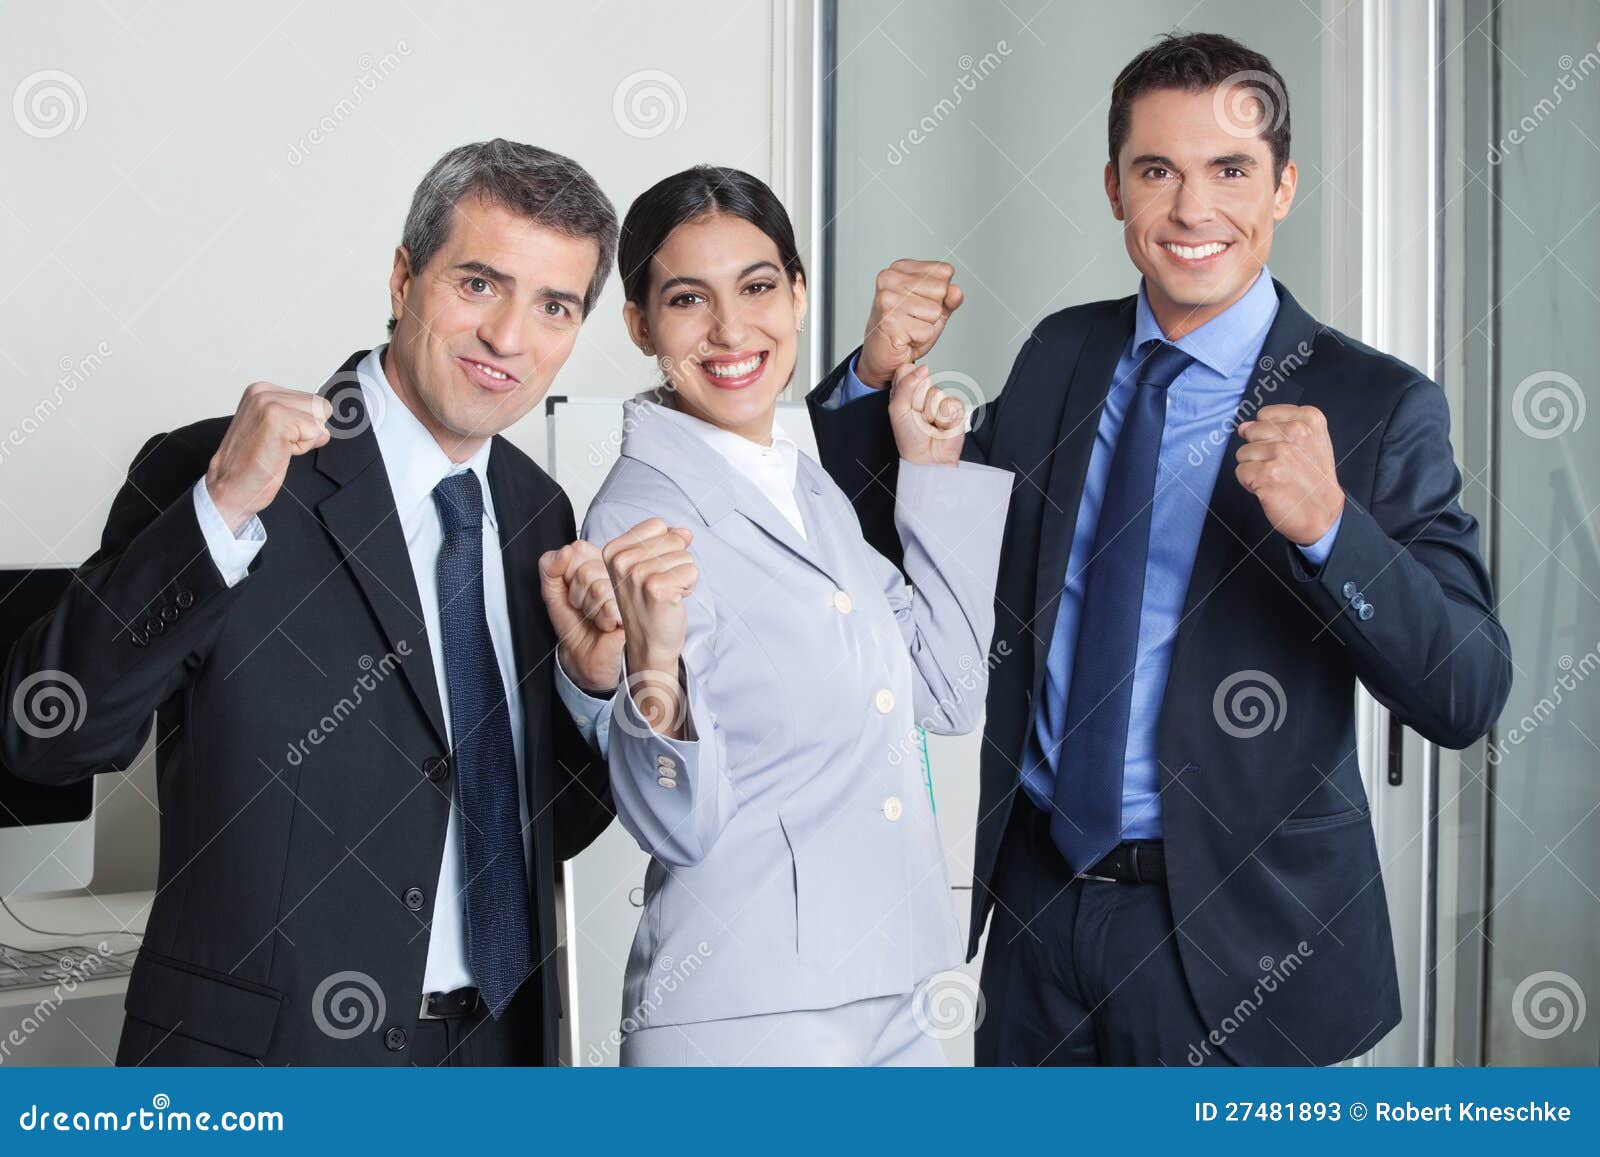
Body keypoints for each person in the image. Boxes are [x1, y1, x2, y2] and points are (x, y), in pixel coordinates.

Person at [809, 33, 1512, 1065]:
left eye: (1229, 171)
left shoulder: (1375, 406)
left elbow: (1464, 692)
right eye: (1157, 172)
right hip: (1040, 917)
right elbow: (902, 542)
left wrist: (1331, 529)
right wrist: (872, 380)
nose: (1192, 210)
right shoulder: (1061, 354)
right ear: (1112, 188)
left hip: (1244, 947)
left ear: (1281, 189)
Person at [0, 139, 628, 1065]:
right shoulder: (218, 470)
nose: (509, 338)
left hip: (495, 1052)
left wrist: (595, 688)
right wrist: (217, 516)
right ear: (404, 275)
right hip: (268, 1060)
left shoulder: (540, 512)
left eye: (554, 306)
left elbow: (537, 824)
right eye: (479, 284)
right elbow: (50, 735)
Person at [581, 166, 1013, 1065]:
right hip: (749, 1013)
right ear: (638, 323)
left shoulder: (802, 482)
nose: (733, 330)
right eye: (688, 299)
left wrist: (930, 476)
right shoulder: (636, 520)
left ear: (800, 294)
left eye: (758, 287)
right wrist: (656, 668)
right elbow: (676, 826)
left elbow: (951, 689)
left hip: (902, 987)